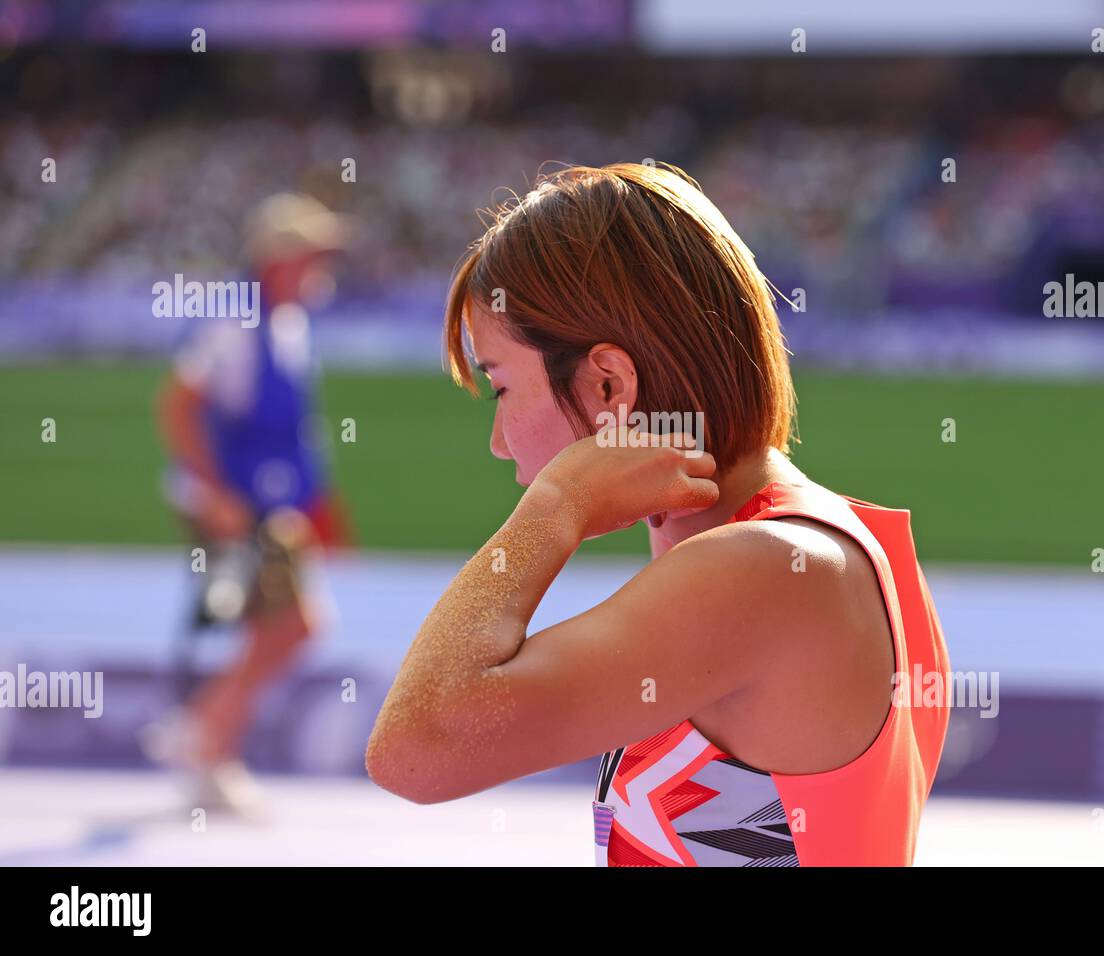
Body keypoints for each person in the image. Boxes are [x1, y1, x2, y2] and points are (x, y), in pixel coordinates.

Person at [366, 164, 950, 866]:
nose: (498, 444)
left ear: (608, 383)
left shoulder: (759, 568)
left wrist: (558, 504)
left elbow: (415, 749)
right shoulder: (821, 543)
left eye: (499, 387)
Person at [143, 192, 350, 815]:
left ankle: (207, 745)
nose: (322, 264)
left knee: (281, 627)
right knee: (291, 626)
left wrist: (317, 509)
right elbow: (177, 405)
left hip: (264, 507)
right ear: (278, 259)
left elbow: (292, 434)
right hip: (233, 507)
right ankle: (202, 738)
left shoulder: (289, 322)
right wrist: (214, 494)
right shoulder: (234, 321)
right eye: (311, 253)